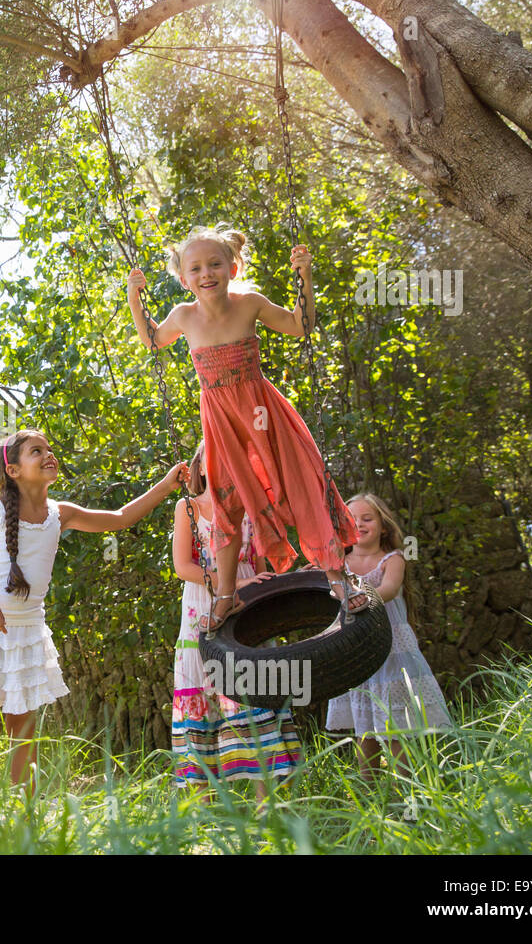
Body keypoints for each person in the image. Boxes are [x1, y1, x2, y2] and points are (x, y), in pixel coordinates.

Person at [126, 223, 364, 632]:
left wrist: (305, 278)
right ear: (184, 279)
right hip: (222, 423)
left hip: (264, 413)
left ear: (232, 268)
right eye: (196, 268)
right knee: (226, 502)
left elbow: (299, 325)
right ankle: (225, 594)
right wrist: (135, 296)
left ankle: (337, 578)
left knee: (303, 481)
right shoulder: (183, 316)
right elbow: (151, 339)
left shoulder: (249, 303)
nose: (207, 274)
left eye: (215, 264)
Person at [0, 428, 182, 799]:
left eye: (49, 449)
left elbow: (119, 517)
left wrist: (166, 485)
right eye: (37, 451)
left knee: (24, 730)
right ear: (14, 470)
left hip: (27, 633)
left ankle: (25, 813)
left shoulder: (60, 513)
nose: (48, 455)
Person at [171, 442, 299, 802]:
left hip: (246, 610)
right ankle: (204, 807)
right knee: (201, 696)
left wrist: (275, 585)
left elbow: (261, 570)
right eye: (217, 460)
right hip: (202, 606)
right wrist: (233, 582)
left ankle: (265, 804)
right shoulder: (189, 508)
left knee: (253, 694)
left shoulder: (251, 512)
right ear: (201, 467)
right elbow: (184, 567)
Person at [326, 492, 452, 780]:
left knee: (397, 727)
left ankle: (405, 789)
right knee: (366, 729)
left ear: (383, 526)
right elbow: (331, 586)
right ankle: (368, 793)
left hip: (392, 650)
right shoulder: (339, 565)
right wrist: (327, 574)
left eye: (367, 519)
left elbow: (390, 589)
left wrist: (360, 598)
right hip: (358, 651)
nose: (359, 524)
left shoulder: (393, 559)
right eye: (351, 519)